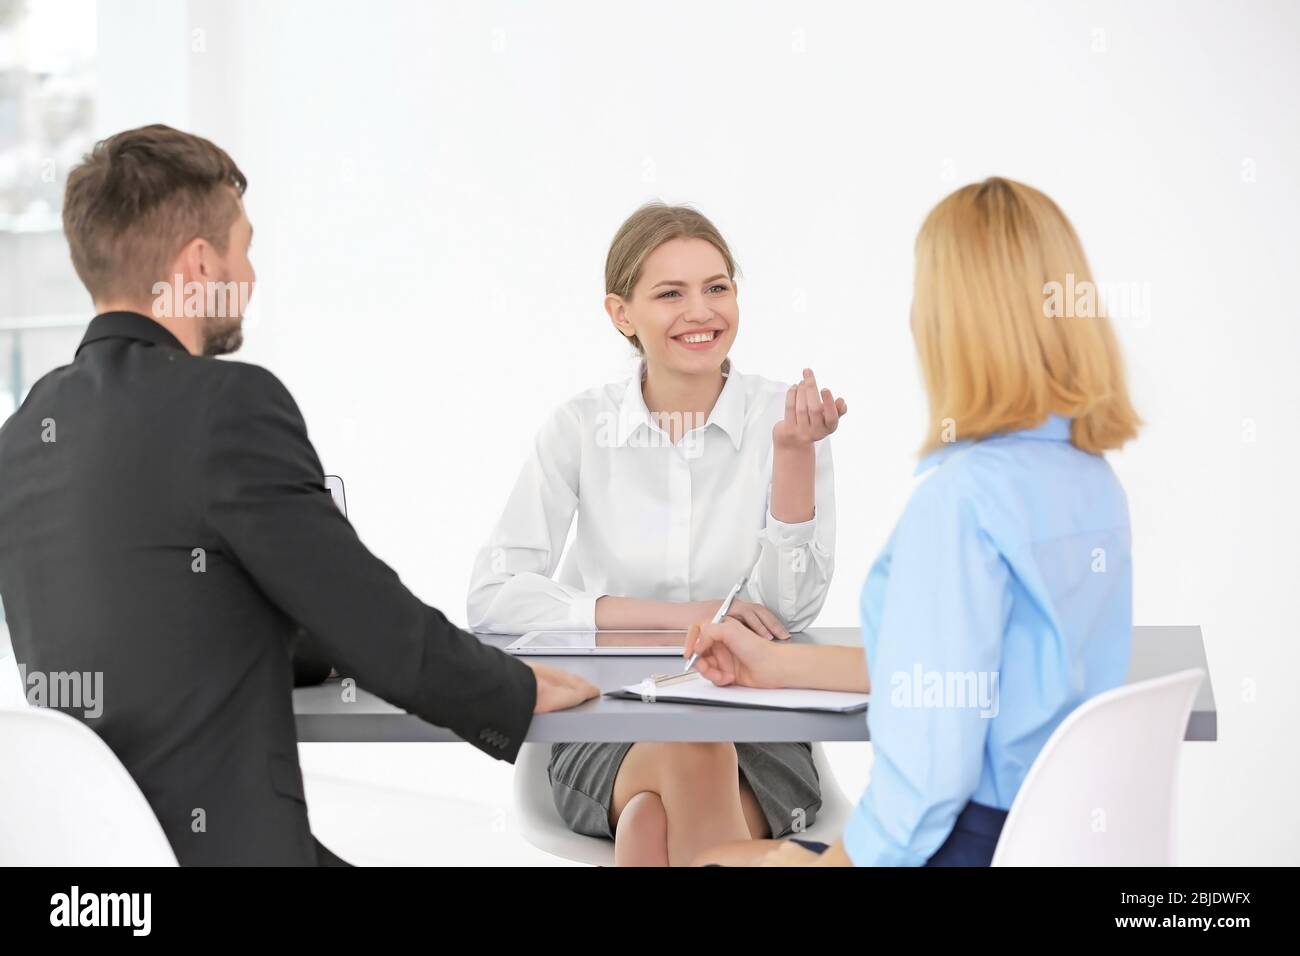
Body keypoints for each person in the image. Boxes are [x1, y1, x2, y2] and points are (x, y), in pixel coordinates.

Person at [0, 124, 598, 866]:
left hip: (94, 867)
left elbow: (166, 618)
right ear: (198, 265)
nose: (249, 278)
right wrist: (514, 690)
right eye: (243, 250)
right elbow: (373, 625)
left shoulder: (25, 435)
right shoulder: (226, 404)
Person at [687, 177, 1141, 867]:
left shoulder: (961, 501)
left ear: (957, 322)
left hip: (964, 843)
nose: (911, 317)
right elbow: (966, 675)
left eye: (924, 295)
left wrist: (823, 866)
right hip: (1056, 841)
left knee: (709, 859)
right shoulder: (1091, 483)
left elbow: (931, 782)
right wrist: (777, 664)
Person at [467, 203, 847, 866]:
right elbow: (493, 595)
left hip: (761, 726)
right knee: (679, 760)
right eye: (671, 293)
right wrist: (685, 620)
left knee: (649, 825)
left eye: (717, 287)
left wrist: (792, 457)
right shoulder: (581, 427)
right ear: (621, 314)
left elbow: (785, 616)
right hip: (604, 721)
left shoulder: (784, 420)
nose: (701, 312)